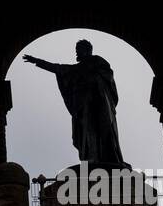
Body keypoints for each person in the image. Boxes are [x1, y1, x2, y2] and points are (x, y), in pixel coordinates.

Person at [24, 39, 129, 169]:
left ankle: (110, 158)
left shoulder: (98, 61)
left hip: (100, 103)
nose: (77, 52)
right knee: (86, 132)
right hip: (84, 106)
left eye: (79, 49)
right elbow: (58, 68)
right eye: (77, 50)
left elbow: (108, 76)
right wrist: (37, 61)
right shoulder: (76, 69)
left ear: (88, 50)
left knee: (105, 130)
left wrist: (94, 80)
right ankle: (91, 158)